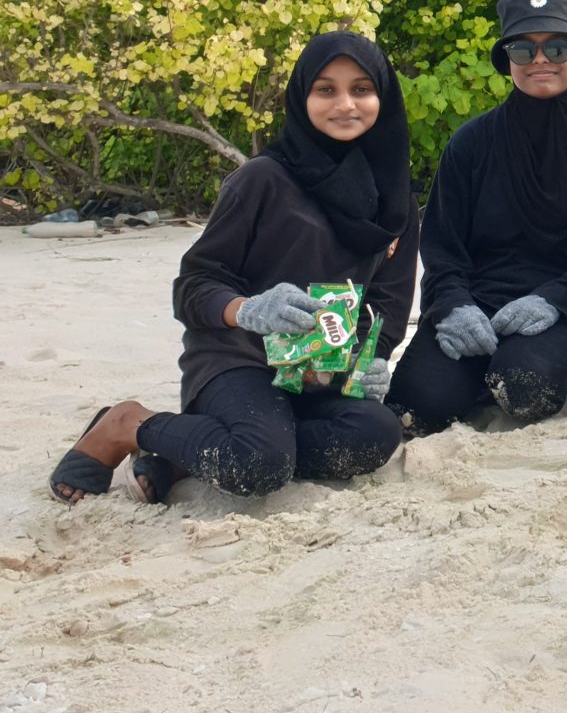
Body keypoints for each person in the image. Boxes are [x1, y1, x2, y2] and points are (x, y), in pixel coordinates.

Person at [48, 33, 417, 504]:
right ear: (302, 96)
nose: (345, 104)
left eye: (361, 89)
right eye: (326, 89)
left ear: (382, 98)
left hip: (322, 366)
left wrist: (373, 360)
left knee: (375, 436)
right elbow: (193, 284)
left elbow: (387, 302)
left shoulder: (395, 199)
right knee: (259, 466)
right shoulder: (263, 179)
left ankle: (188, 449)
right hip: (237, 358)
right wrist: (248, 310)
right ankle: (128, 424)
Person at [385, 0, 567, 435]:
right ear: (507, 60)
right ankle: (476, 368)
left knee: (524, 389)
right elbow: (443, 245)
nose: (540, 59)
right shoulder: (470, 142)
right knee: (416, 407)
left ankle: (506, 366)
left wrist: (554, 301)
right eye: (524, 48)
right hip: (479, 298)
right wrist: (453, 307)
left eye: (558, 47)